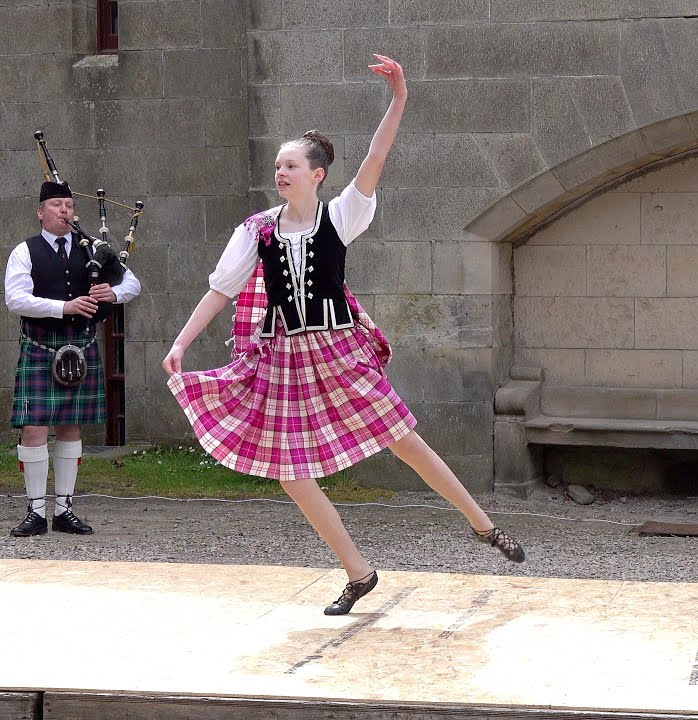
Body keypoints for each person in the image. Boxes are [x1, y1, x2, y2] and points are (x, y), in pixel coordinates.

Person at [162, 55, 524, 616]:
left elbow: (377, 155)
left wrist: (399, 96)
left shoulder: (342, 215)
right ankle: (359, 572)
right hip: (284, 358)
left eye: (290, 165)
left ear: (316, 174)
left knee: (405, 441)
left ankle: (484, 528)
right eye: (277, 166)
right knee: (291, 473)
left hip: (338, 351)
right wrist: (181, 343)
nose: (280, 173)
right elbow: (220, 289)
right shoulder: (255, 230)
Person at [6, 180, 141, 537]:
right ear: (40, 212)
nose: (65, 210)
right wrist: (62, 307)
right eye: (57, 205)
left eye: (69, 204)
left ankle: (64, 509)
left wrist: (109, 293)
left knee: (70, 426)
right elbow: (15, 299)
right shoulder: (26, 251)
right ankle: (36, 512)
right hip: (41, 348)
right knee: (34, 428)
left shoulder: (93, 249)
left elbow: (132, 285)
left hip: (80, 348)